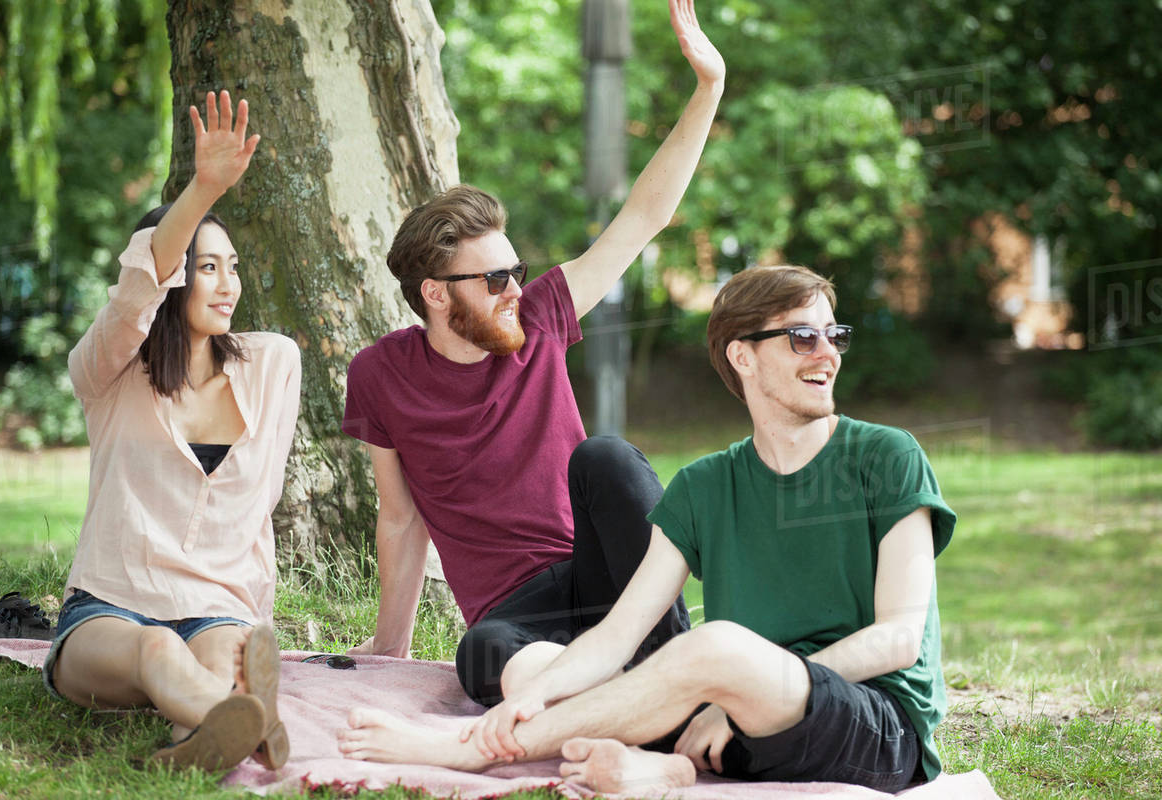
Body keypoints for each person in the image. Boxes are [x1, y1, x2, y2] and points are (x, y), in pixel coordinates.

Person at [337, 264, 956, 796]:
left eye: (833, 335)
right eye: (802, 337)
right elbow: (616, 636)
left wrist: (734, 691)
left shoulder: (886, 456)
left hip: (877, 725)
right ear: (742, 355)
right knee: (529, 671)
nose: (827, 354)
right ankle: (665, 767)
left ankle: (467, 751)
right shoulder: (705, 485)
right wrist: (536, 697)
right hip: (731, 725)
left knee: (715, 647)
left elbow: (899, 640)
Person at [340, 0, 725, 708]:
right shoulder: (379, 375)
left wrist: (708, 91)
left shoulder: (542, 314)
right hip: (517, 616)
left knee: (606, 458)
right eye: (493, 279)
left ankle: (683, 672)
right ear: (434, 293)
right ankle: (622, 692)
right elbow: (399, 517)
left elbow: (645, 216)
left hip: (604, 576)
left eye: (516, 270)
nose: (515, 288)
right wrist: (390, 644)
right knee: (481, 653)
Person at [46, 90, 301, 773]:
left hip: (216, 605)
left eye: (233, 267)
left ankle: (214, 724)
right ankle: (241, 720)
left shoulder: (271, 364)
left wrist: (254, 610)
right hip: (111, 606)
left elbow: (260, 511)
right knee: (158, 652)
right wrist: (203, 189)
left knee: (218, 658)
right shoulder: (105, 374)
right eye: (207, 268)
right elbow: (135, 296)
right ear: (175, 279)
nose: (227, 285)